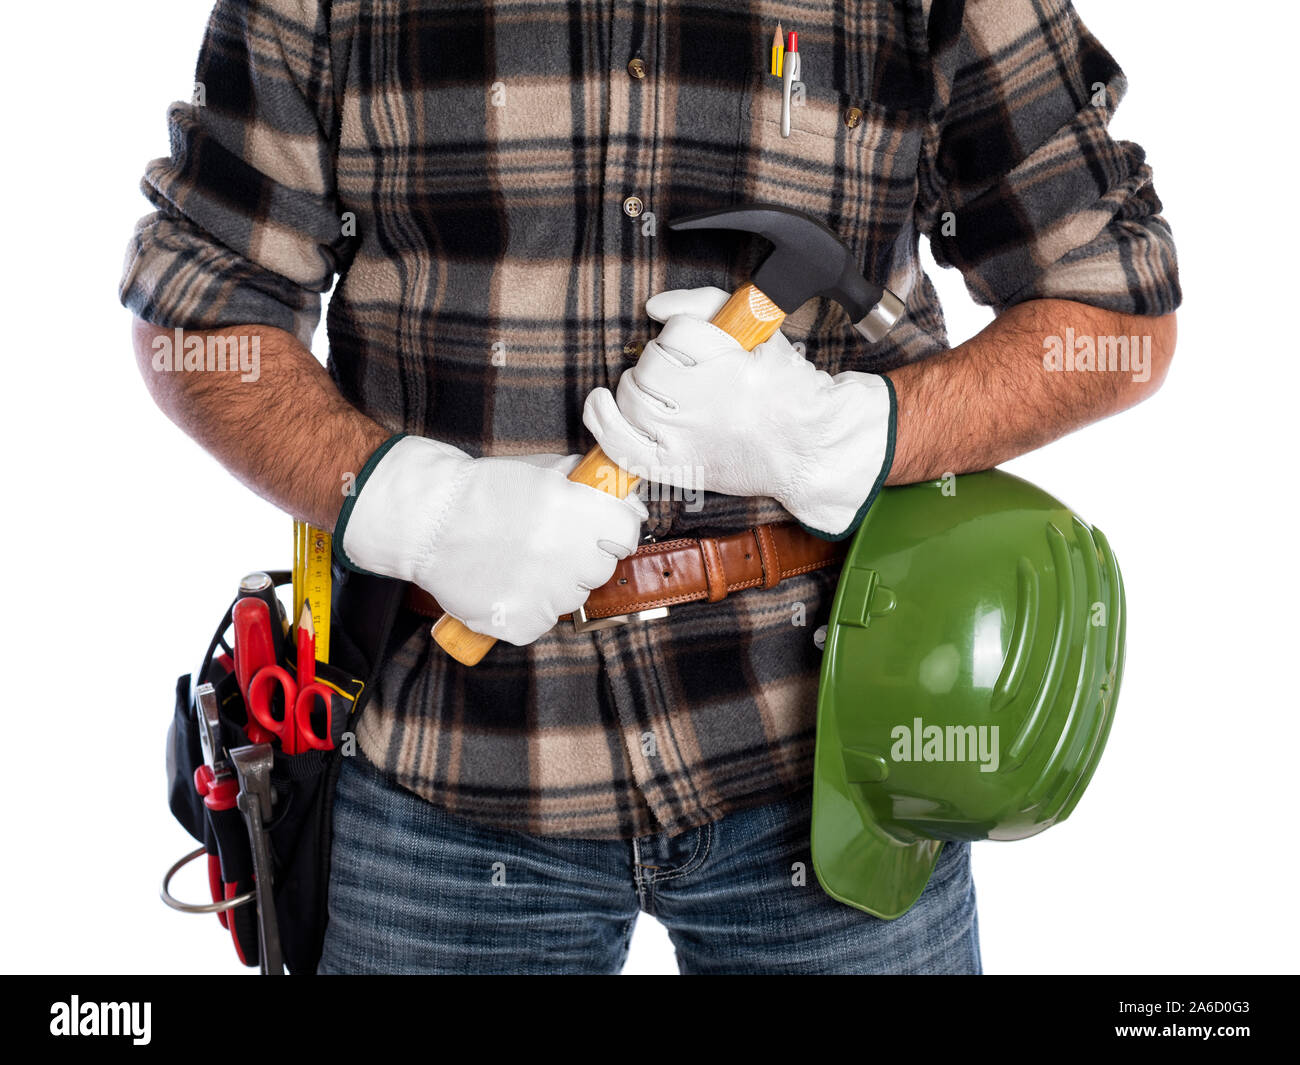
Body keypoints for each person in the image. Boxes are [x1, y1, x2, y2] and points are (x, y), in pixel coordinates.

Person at [122, 0, 1178, 974]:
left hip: (841, 750)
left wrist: (843, 434)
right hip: (445, 750)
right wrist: (419, 511)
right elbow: (199, 307)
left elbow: (1117, 303)